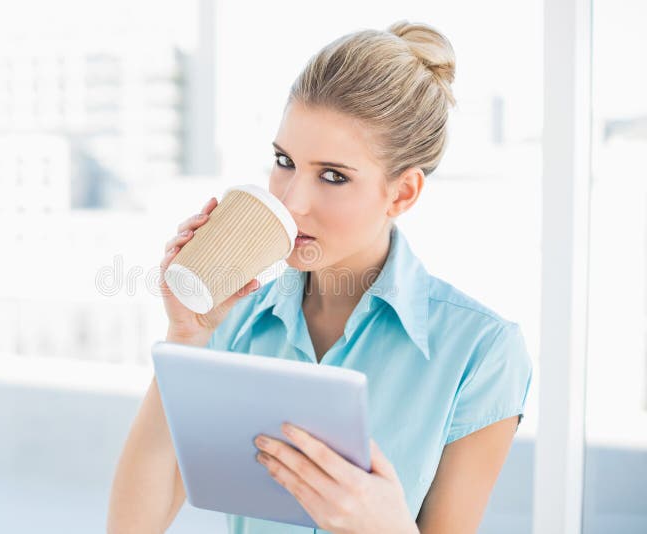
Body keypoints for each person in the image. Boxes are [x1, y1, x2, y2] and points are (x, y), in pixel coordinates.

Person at [107, 20, 533, 534]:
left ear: (402, 194)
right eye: (284, 162)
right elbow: (133, 528)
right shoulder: (230, 321)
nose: (292, 201)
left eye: (333, 175)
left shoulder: (480, 351)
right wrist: (185, 337)